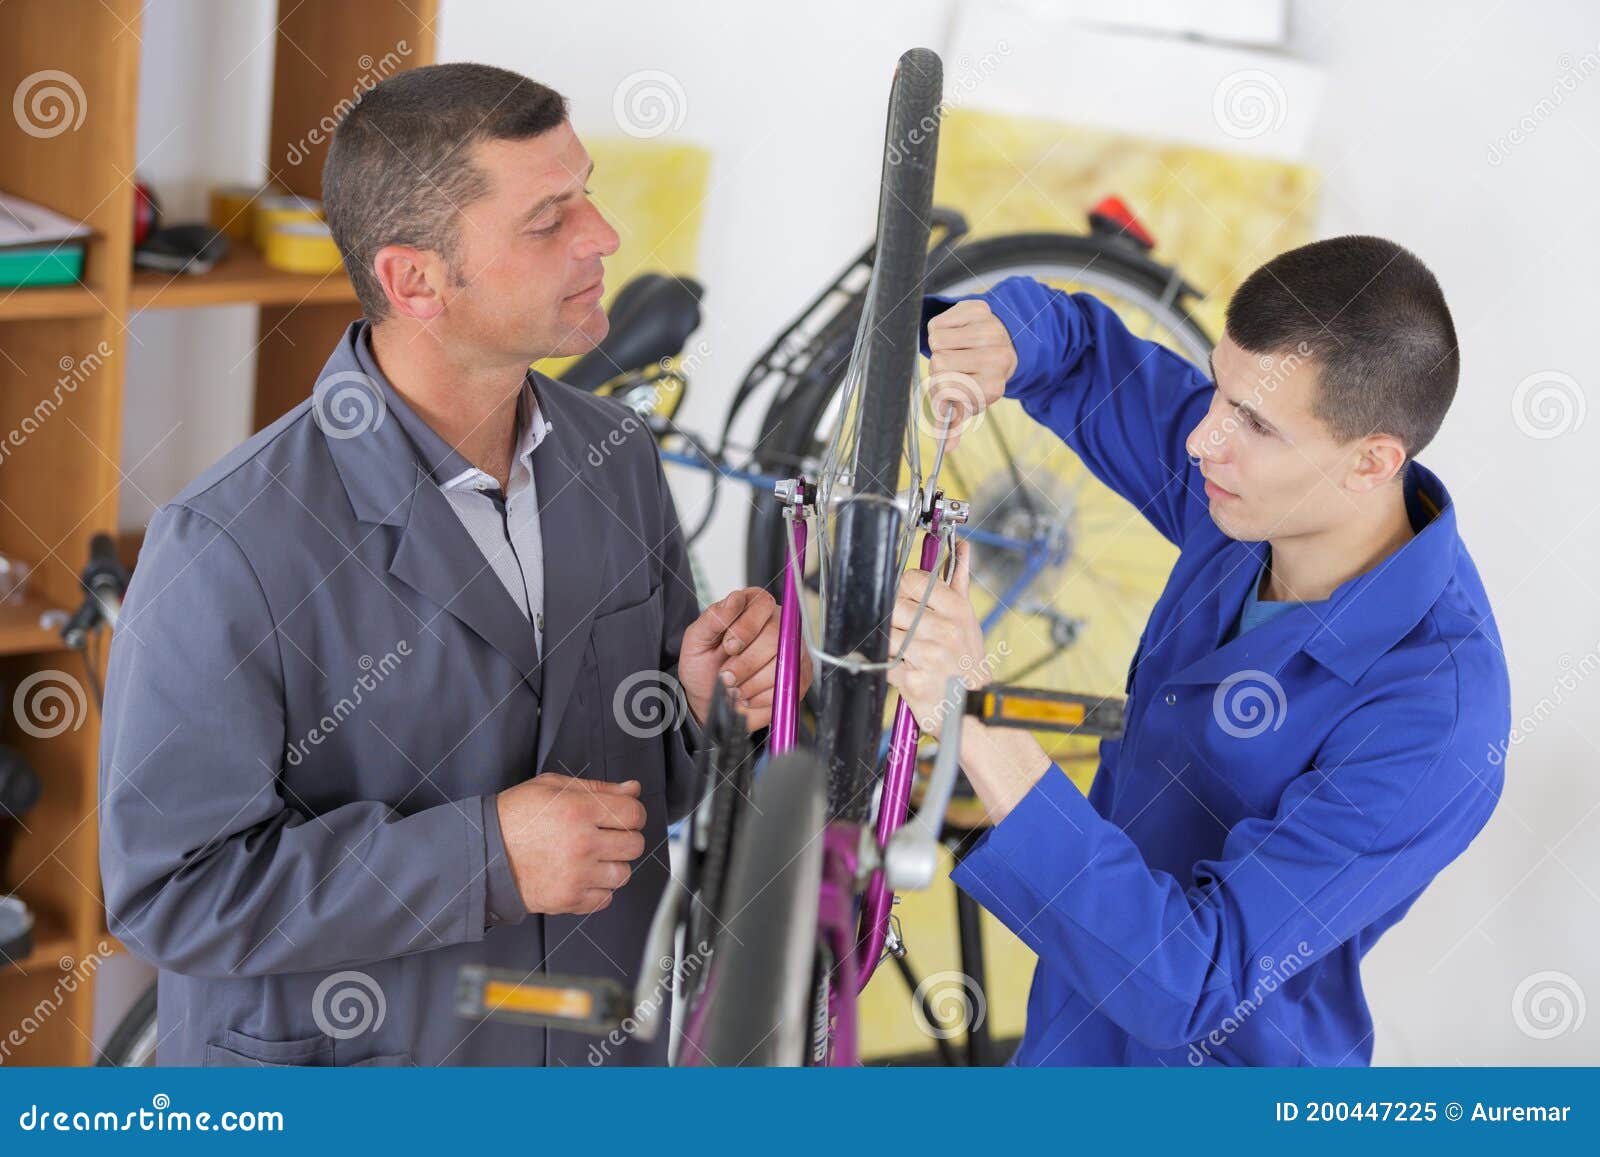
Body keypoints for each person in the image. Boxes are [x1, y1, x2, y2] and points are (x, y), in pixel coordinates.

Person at [99, 63, 807, 1067]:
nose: (602, 236)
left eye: (587, 193)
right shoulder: (228, 542)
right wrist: (484, 857)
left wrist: (695, 706)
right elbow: (173, 895)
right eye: (547, 217)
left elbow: (627, 803)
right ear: (414, 280)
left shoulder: (617, 458)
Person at [886, 237, 1508, 1065]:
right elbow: (1077, 355)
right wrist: (1009, 333)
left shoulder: (1437, 716)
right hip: (1072, 1037)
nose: (1202, 438)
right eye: (1219, 389)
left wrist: (974, 716)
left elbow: (1194, 979)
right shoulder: (1253, 499)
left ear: (1371, 462)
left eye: (1253, 422)